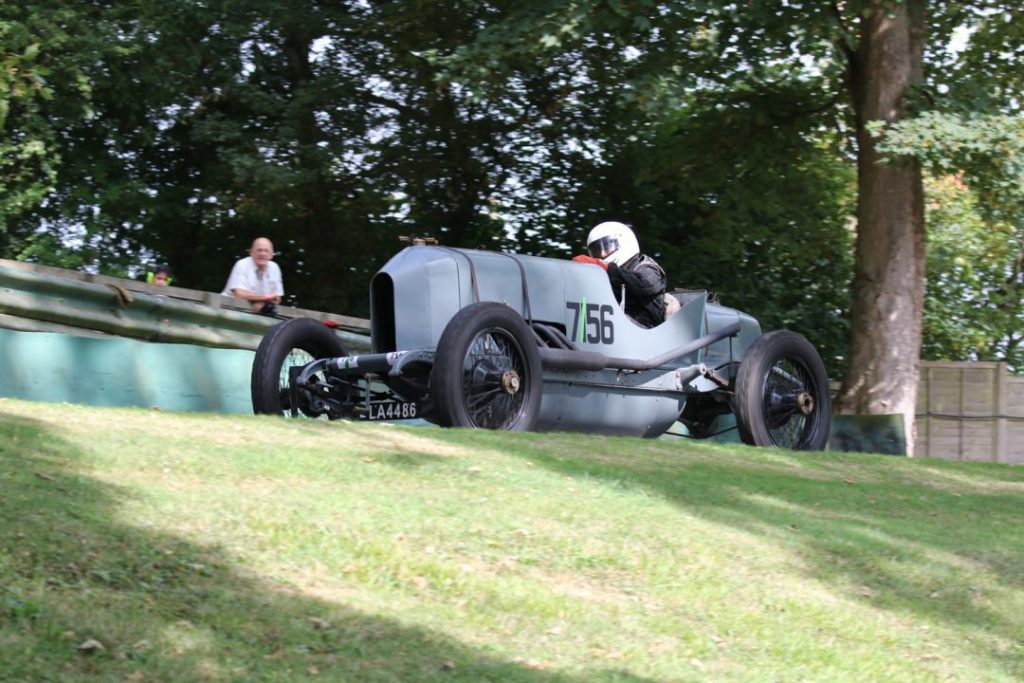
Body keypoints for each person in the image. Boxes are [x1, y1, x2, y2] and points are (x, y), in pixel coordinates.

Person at [572, 221, 667, 328]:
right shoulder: (607, 276)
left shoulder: (646, 265)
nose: (602, 254)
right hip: (615, 333)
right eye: (597, 250)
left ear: (624, 241)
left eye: (607, 246)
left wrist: (606, 269)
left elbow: (645, 285)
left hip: (645, 332)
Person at [222, 237, 284, 315]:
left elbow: (277, 299)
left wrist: (258, 299)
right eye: (259, 250)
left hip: (251, 315)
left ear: (271, 255)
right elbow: (239, 294)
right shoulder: (242, 264)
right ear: (251, 252)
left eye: (266, 251)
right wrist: (266, 297)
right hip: (226, 310)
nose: (262, 254)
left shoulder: (274, 268)